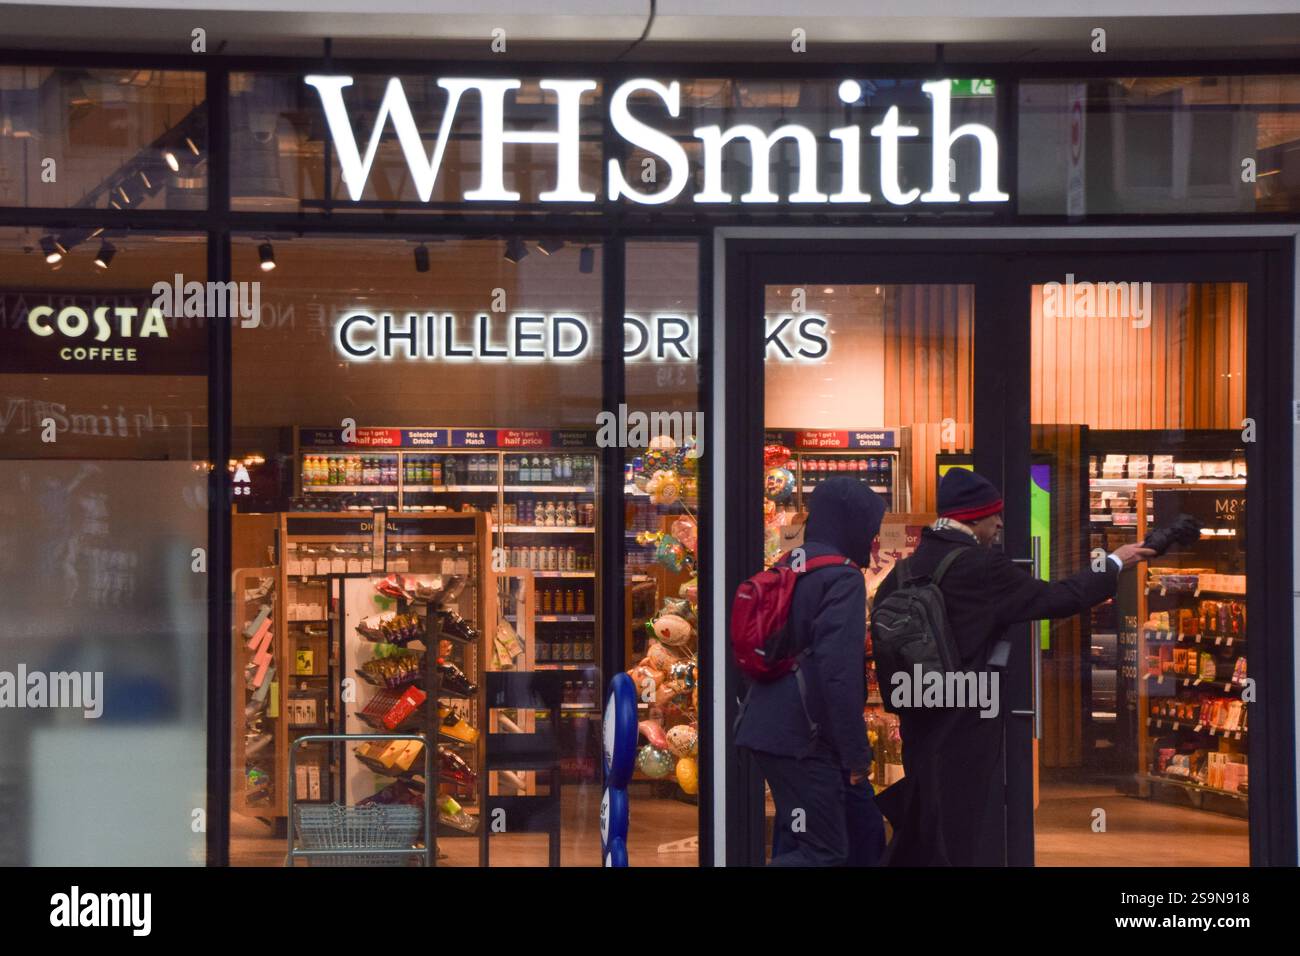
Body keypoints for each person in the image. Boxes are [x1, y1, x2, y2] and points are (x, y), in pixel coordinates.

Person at [872, 467, 1154, 865]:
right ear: (974, 517)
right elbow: (1059, 597)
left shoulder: (904, 571)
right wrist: (1112, 563)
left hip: (918, 713)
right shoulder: (982, 567)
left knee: (927, 818)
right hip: (967, 717)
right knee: (958, 827)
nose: (1001, 523)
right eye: (994, 515)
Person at [735, 476, 887, 866]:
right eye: (871, 528)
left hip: (770, 728)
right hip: (804, 740)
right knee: (825, 853)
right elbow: (839, 673)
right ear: (852, 524)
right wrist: (856, 756)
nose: (873, 539)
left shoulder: (792, 565)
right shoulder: (842, 578)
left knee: (799, 833)